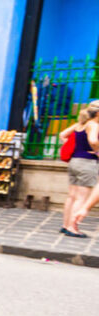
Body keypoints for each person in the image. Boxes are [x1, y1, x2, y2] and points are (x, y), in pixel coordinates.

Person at [58, 101, 99, 238]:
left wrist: (74, 147)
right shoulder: (93, 125)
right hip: (87, 163)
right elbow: (93, 140)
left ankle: (65, 225)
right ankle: (73, 228)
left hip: (74, 161)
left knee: (72, 196)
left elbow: (62, 134)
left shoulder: (80, 124)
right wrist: (97, 151)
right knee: (81, 198)